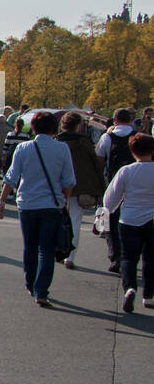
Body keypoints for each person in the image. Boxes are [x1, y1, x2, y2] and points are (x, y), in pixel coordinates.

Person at [0, 110, 76, 307]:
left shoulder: (23, 148)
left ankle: (30, 283)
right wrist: (63, 200)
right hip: (51, 204)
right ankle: (41, 290)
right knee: (46, 249)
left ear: (33, 128)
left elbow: (11, 177)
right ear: (54, 128)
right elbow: (68, 180)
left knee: (30, 246)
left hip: (27, 203)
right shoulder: (62, 149)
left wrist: (2, 201)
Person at [102, 133, 154, 312]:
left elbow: (110, 198)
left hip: (129, 219)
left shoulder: (126, 171)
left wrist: (104, 215)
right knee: (150, 259)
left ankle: (130, 288)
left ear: (132, 151)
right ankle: (148, 296)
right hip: (152, 219)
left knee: (128, 258)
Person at [56, 111, 105, 269]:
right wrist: (100, 187)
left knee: (57, 220)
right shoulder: (85, 142)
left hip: (58, 185)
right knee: (75, 221)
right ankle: (70, 257)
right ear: (78, 125)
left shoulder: (57, 141)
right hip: (81, 185)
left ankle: (56, 249)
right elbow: (96, 164)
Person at [97, 108, 141, 274]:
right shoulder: (137, 137)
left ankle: (114, 256)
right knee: (130, 223)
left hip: (111, 183)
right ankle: (129, 257)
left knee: (110, 221)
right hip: (134, 186)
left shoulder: (107, 137)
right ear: (130, 120)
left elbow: (100, 160)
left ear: (114, 120)